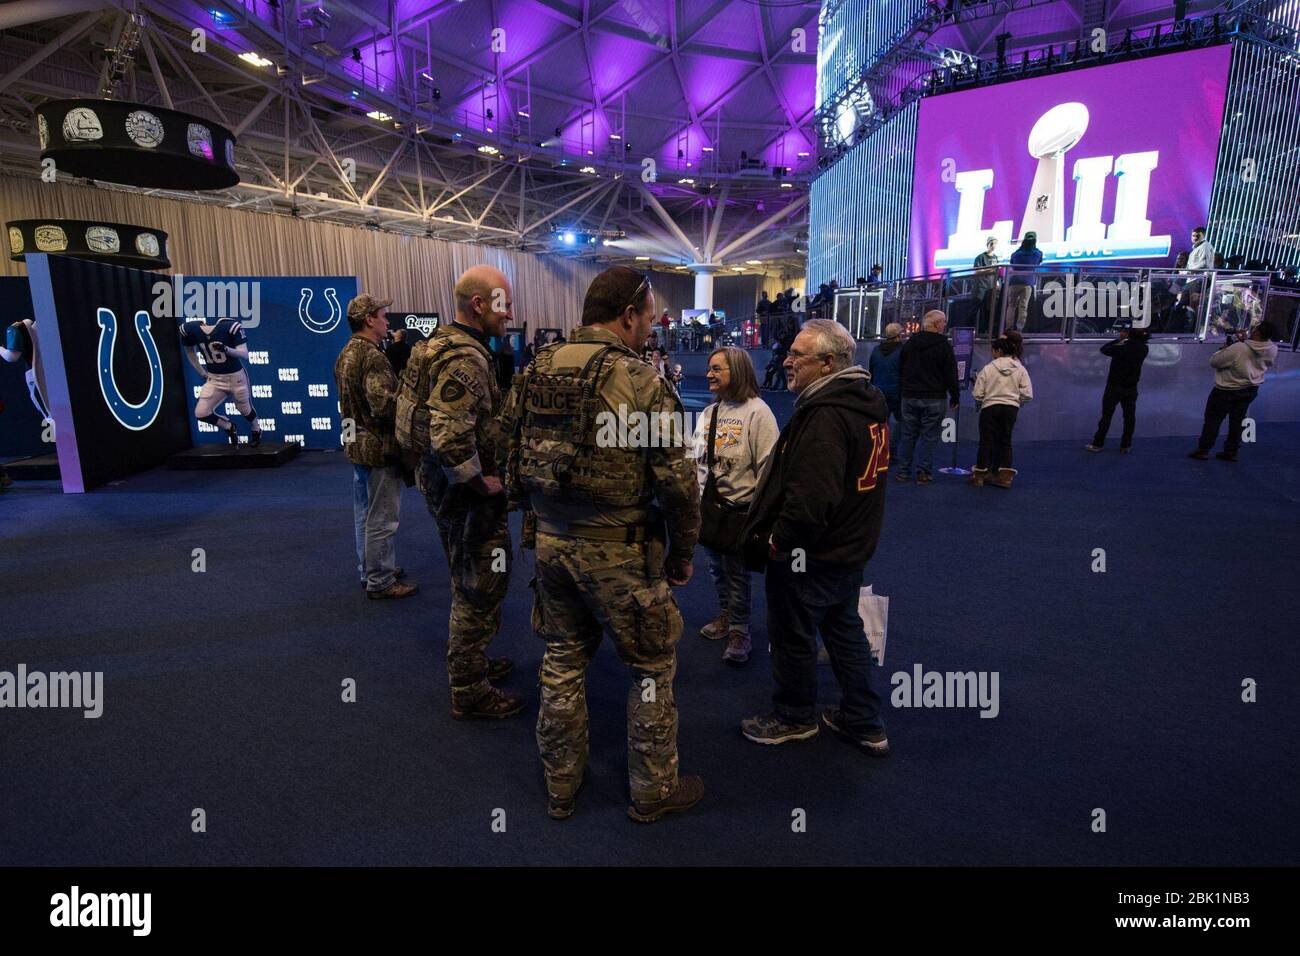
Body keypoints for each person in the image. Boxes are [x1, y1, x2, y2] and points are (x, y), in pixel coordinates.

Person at [505, 266, 702, 823]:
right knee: (650, 667)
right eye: (648, 317)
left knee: (563, 659)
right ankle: (652, 791)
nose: (650, 328)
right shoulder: (640, 380)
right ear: (628, 315)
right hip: (622, 552)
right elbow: (677, 482)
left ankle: (561, 786)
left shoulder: (536, 368)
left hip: (549, 544)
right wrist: (684, 550)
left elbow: (507, 448)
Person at [738, 319, 890, 757]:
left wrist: (779, 543)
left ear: (826, 364)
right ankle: (864, 721)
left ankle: (794, 716)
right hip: (850, 546)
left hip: (812, 554)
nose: (786, 361)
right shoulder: (866, 402)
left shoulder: (826, 415)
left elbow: (811, 500)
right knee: (844, 629)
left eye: (797, 356)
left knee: (793, 634)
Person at [414, 266, 524, 719]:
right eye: (504, 302)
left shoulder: (435, 343)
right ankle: (469, 689)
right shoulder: (466, 358)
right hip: (465, 496)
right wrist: (480, 481)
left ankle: (474, 664)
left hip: (441, 489)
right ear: (479, 304)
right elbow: (447, 433)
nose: (510, 311)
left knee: (468, 576)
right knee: (479, 585)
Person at [692, 347, 779, 665]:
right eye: (709, 368)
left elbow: (770, 469)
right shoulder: (708, 413)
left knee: (738, 574)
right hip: (711, 511)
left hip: (742, 513)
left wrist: (761, 518)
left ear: (738, 372)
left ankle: (741, 631)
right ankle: (728, 616)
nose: (709, 374)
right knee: (717, 571)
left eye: (717, 369)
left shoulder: (758, 412)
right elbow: (697, 463)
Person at [335, 293, 416, 599]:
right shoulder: (372, 356)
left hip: (356, 445)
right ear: (369, 320)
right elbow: (383, 405)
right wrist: (409, 403)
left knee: (364, 513)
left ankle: (369, 568)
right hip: (379, 448)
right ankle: (380, 579)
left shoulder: (346, 353)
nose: (387, 321)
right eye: (383, 315)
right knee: (382, 516)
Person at [1189, 321, 1279, 462]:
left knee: (1213, 420)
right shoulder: (1272, 348)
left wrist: (1225, 349)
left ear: (1257, 332)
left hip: (1226, 390)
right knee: (1237, 422)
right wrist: (1244, 342)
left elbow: (1215, 361)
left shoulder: (1238, 348)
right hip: (1250, 390)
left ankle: (1203, 450)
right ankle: (1231, 451)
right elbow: (1254, 352)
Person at [894, 309, 959, 485]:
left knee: (908, 435)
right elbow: (950, 373)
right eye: (944, 322)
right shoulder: (943, 346)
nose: (945, 325)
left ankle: (903, 471)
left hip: (909, 395)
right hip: (935, 397)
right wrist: (955, 396)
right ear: (938, 324)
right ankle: (923, 473)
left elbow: (901, 369)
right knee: (929, 436)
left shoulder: (909, 343)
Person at [179, 315, 262, 446]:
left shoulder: (230, 327)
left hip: (235, 377)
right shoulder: (190, 329)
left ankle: (256, 428)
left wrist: (226, 349)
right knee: (201, 413)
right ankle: (228, 426)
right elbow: (189, 351)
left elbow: (244, 354)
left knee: (244, 409)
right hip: (215, 378)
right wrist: (201, 371)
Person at [970, 331, 1032, 488]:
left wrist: (982, 400)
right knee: (1006, 441)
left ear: (998, 351)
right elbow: (1028, 394)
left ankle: (979, 475)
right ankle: (1004, 478)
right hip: (1011, 409)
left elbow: (978, 393)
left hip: (990, 407)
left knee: (985, 441)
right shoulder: (1021, 369)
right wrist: (1017, 400)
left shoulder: (988, 368)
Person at [1085, 328, 1149, 453]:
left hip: (1114, 386)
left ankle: (1098, 443)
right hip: (1131, 387)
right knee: (1129, 418)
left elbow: (1104, 349)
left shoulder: (1121, 347)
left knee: (1106, 417)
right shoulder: (1143, 349)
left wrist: (1119, 340)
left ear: (1129, 335)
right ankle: (1126, 445)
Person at [868, 322, 903, 454]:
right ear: (898, 336)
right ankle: (892, 447)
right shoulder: (902, 350)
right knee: (903, 422)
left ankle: (882, 448)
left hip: (879, 391)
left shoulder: (876, 350)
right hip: (896, 393)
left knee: (882, 423)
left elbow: (871, 370)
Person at [1006, 232, 1042, 332]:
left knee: (1011, 305)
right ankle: (1019, 329)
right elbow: (1038, 262)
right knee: (1023, 306)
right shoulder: (1037, 253)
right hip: (1028, 282)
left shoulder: (1017, 253)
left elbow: (1012, 263)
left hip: (1014, 281)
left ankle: (1008, 328)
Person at [973, 236, 1000, 334]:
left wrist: (997, 283)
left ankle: (986, 331)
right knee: (975, 310)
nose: (993, 246)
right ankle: (969, 330)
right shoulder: (980, 257)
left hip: (991, 288)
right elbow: (976, 271)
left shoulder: (995, 257)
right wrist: (989, 269)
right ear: (987, 244)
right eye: (991, 244)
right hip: (981, 287)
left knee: (989, 310)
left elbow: (996, 272)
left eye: (995, 244)